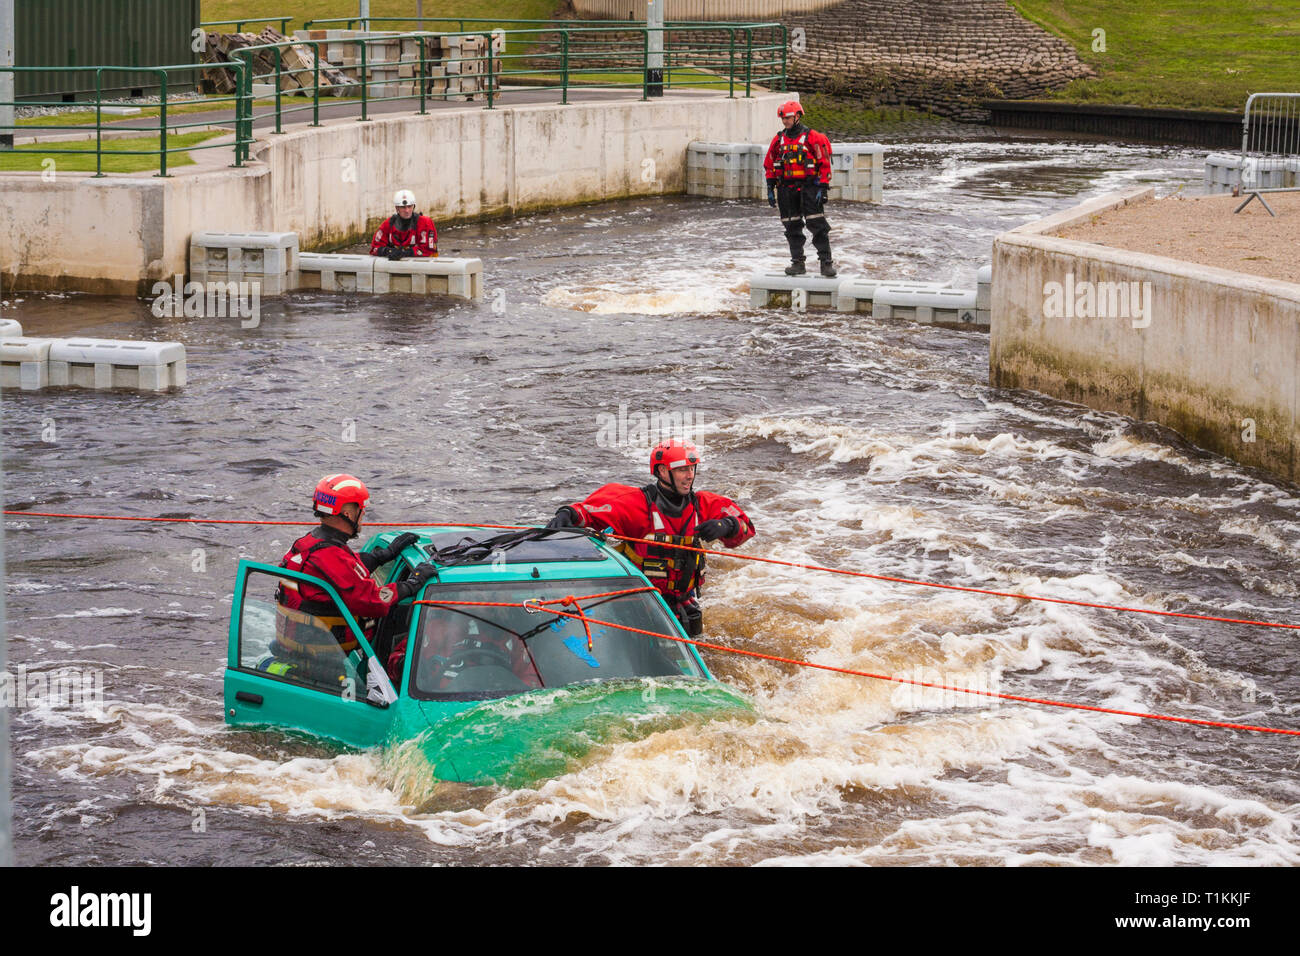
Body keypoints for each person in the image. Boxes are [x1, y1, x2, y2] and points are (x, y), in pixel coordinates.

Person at [545, 439, 755, 637]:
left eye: (692, 469)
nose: (690, 476)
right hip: (638, 603)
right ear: (662, 471)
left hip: (684, 603)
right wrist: (568, 514)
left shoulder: (704, 504)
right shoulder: (635, 503)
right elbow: (588, 512)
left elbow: (746, 527)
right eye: (682, 469)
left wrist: (728, 525)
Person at [275, 473, 435, 696]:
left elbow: (343, 573)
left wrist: (382, 556)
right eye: (361, 509)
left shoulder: (309, 543)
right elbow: (374, 602)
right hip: (323, 665)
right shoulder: (331, 555)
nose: (363, 515)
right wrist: (412, 584)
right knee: (376, 703)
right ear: (348, 514)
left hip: (302, 652)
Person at [763, 100, 837, 278]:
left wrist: (823, 188)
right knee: (791, 226)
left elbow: (824, 163)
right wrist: (770, 187)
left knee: (817, 225)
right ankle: (797, 263)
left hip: (809, 188)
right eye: (783, 118)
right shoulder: (778, 140)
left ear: (797, 116)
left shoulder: (813, 137)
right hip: (786, 189)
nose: (785, 121)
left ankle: (826, 263)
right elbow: (769, 163)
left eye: (788, 118)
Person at [369, 189, 438, 260]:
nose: (407, 211)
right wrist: (388, 251)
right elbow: (374, 248)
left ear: (413, 206)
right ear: (397, 208)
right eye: (403, 207)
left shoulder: (425, 223)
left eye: (409, 206)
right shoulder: (388, 224)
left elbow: (430, 249)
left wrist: (405, 253)